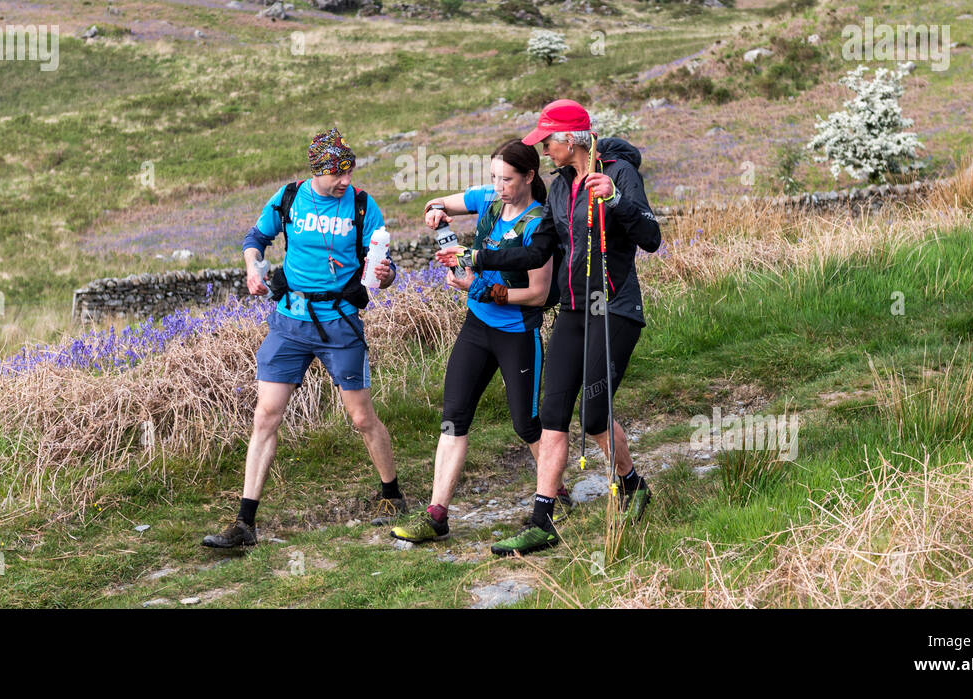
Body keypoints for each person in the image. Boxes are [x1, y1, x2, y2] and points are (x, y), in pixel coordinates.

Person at [436, 100, 662, 556]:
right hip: (576, 312)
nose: (543, 150)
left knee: (593, 417)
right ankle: (543, 522)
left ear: (571, 139)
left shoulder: (618, 174)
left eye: (548, 141)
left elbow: (651, 238)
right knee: (553, 414)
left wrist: (616, 201)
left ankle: (633, 484)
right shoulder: (559, 190)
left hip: (614, 308)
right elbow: (536, 252)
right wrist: (477, 258)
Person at [202, 129, 405, 549]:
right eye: (337, 174)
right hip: (289, 323)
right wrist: (253, 268)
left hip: (341, 324)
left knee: (362, 418)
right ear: (318, 171)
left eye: (349, 172)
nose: (346, 181)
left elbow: (382, 267)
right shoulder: (290, 198)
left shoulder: (364, 206)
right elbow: (255, 240)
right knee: (266, 416)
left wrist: (386, 275)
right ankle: (245, 524)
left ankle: (392, 495)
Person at [391, 139, 574, 543]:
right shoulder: (489, 202)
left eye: (506, 179)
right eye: (493, 177)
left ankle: (554, 492)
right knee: (453, 417)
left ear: (529, 176)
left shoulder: (538, 223)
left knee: (526, 425)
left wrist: (482, 287)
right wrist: (436, 213)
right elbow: (440, 203)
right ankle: (436, 514)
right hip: (477, 329)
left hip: (517, 333)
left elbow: (540, 295)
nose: (498, 187)